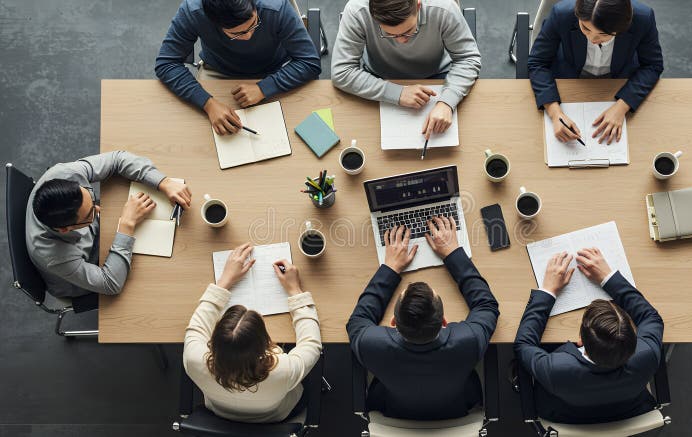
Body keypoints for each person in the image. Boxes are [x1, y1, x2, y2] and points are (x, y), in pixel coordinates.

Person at [347, 217, 499, 420]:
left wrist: (390, 268)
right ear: (444, 322)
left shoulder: (370, 344)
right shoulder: (469, 341)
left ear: (393, 322)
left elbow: (358, 319)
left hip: (395, 410)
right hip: (456, 409)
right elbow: (486, 305)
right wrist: (453, 254)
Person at [514, 248, 664, 424]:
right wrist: (609, 278)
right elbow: (651, 318)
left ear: (580, 341)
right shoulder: (647, 355)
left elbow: (523, 344)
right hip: (626, 411)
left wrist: (548, 291)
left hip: (566, 416)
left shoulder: (556, 369)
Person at [184, 242, 322, 422]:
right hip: (275, 419)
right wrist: (295, 291)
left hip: (220, 415)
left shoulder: (194, 359)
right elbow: (311, 344)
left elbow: (198, 325)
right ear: (265, 343)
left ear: (214, 338)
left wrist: (225, 280)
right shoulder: (283, 370)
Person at [26, 151, 191, 298]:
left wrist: (163, 182)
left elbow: (117, 159)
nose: (99, 209)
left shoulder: (63, 174)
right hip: (81, 276)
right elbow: (110, 284)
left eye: (91, 198)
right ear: (65, 229)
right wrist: (127, 224)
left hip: (99, 236)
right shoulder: (55, 257)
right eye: (90, 213)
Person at [155, 0, 322, 136]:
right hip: (218, 71)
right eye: (237, 34)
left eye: (253, 25)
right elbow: (166, 64)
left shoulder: (275, 7)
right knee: (200, 136)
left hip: (277, 69)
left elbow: (309, 62)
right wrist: (208, 103)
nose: (249, 36)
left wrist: (264, 88)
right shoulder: (193, 11)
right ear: (213, 22)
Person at [332, 0, 481, 140]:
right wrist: (398, 93)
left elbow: (467, 58)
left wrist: (447, 102)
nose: (401, 41)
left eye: (408, 31)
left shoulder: (444, 7)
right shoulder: (357, 10)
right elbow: (342, 71)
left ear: (418, 5)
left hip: (437, 75)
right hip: (377, 77)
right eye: (389, 34)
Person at [528, 0, 664, 144]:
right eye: (585, 28)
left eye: (603, 34)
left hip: (618, 80)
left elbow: (652, 65)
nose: (592, 39)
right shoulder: (561, 14)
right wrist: (555, 113)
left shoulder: (643, 18)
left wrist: (622, 107)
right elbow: (537, 62)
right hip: (570, 80)